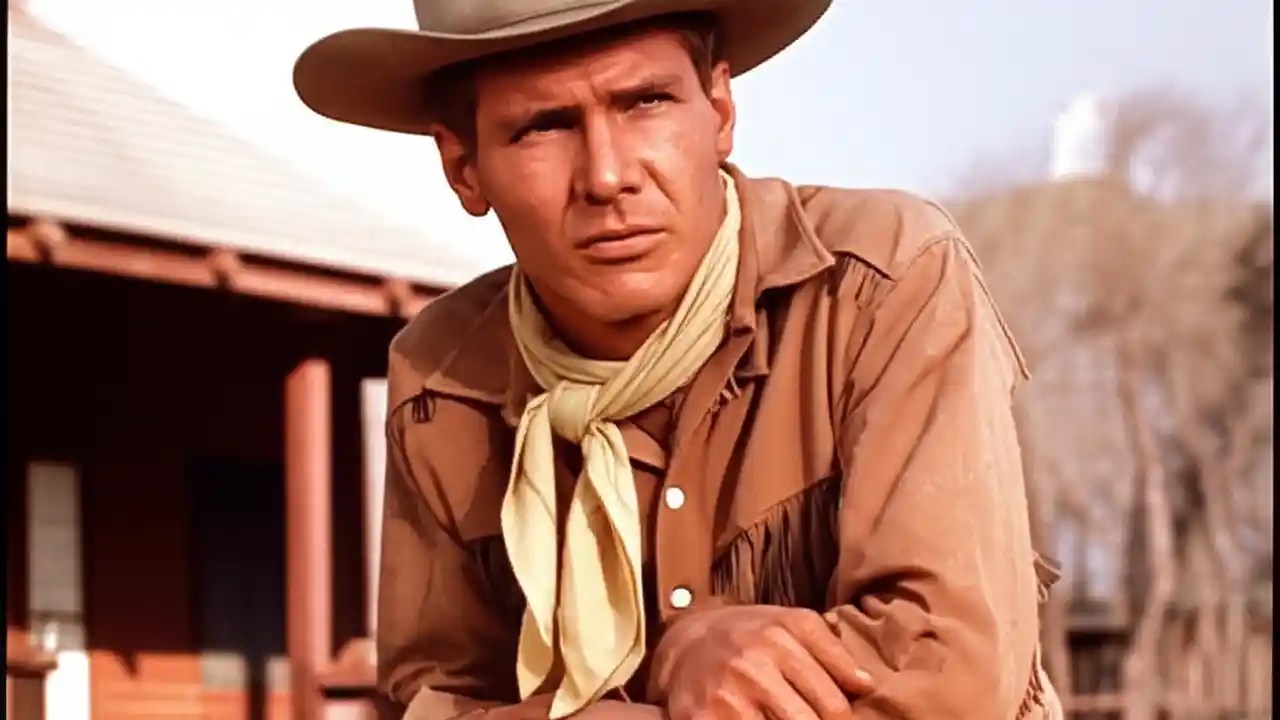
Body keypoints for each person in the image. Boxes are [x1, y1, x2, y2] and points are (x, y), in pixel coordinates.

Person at [294, 1, 1063, 718]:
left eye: (645, 103)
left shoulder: (879, 281)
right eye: (542, 128)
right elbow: (430, 701)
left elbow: (950, 676)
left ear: (720, 111)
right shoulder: (443, 381)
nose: (606, 176)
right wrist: (673, 670)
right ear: (464, 168)